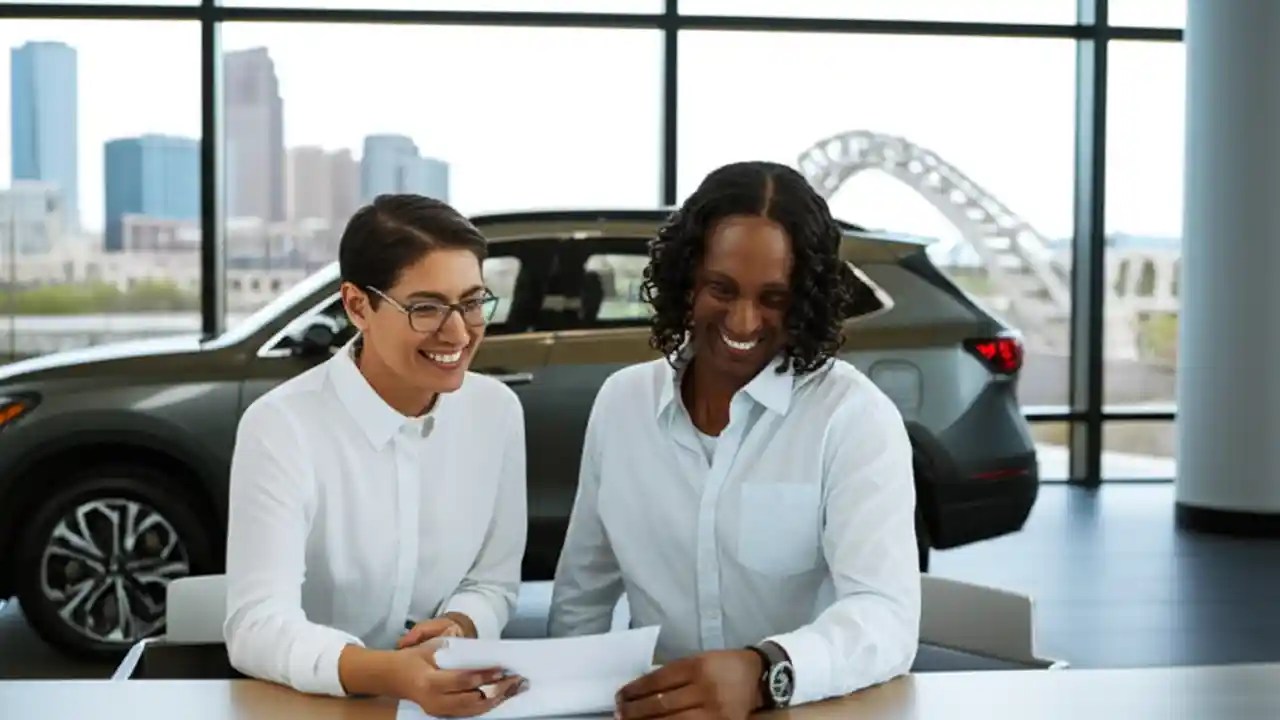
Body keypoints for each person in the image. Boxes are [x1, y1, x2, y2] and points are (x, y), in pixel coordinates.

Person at [548, 161, 921, 718]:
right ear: (686, 280)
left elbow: (885, 616)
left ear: (804, 299)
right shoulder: (621, 403)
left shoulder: (852, 418)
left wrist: (765, 670)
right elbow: (582, 597)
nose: (744, 322)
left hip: (802, 707)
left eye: (773, 298)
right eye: (721, 289)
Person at [224, 194, 529, 716]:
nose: (458, 332)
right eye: (426, 308)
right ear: (357, 305)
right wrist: (391, 674)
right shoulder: (282, 426)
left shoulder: (496, 411)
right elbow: (256, 625)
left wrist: (460, 624)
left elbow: (491, 581)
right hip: (307, 706)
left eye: (473, 302)